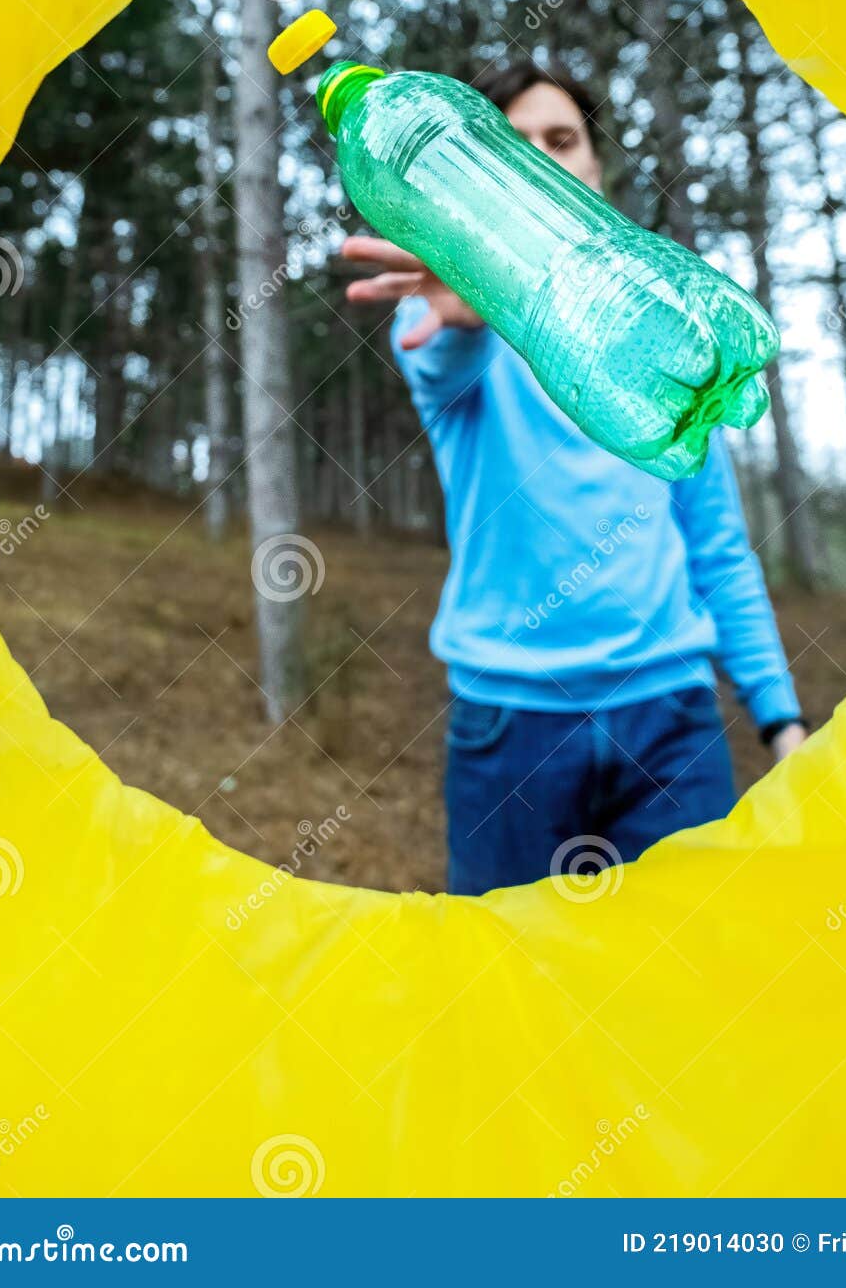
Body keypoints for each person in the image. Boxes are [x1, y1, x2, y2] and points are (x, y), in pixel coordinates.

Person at [343, 62, 808, 895]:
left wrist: (780, 720)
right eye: (508, 144)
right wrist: (458, 301)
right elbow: (447, 350)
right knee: (512, 995)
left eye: (561, 140)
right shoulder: (446, 328)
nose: (537, 160)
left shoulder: (668, 347)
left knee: (686, 982)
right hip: (509, 726)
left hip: (672, 719)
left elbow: (719, 549)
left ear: (594, 169)